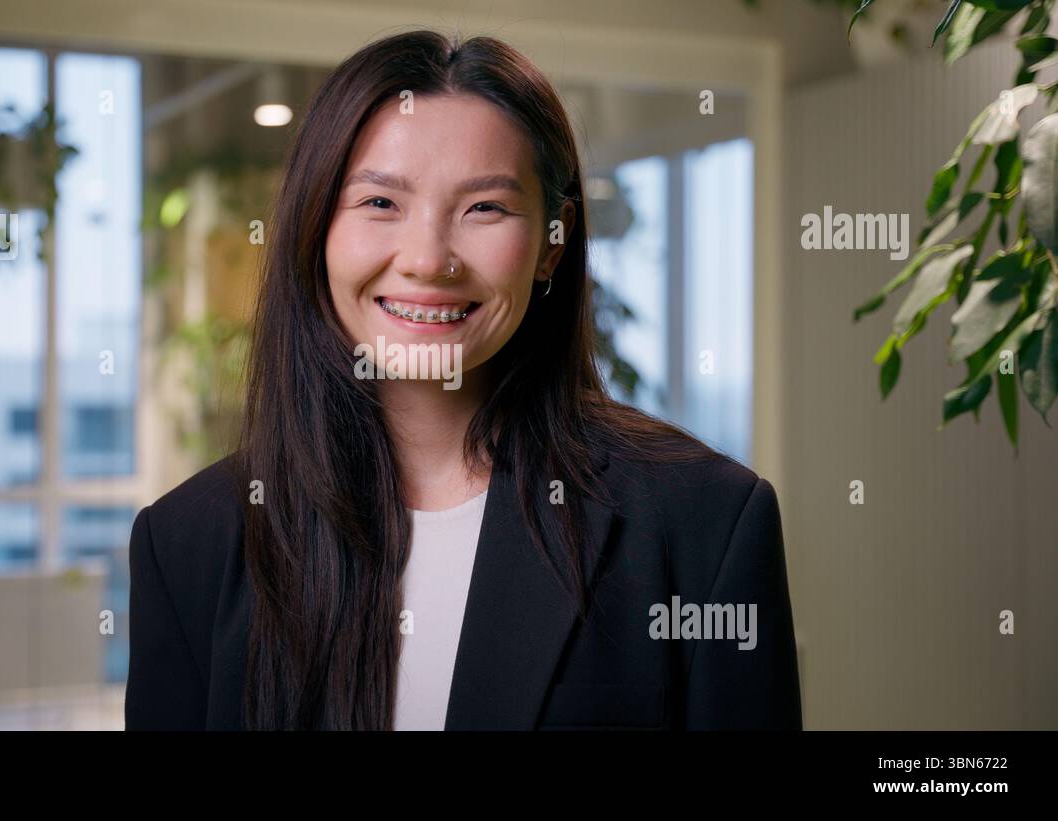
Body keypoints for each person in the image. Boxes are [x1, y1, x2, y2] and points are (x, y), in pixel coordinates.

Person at [125, 29, 801, 731]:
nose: (427, 259)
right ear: (315, 228)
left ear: (552, 243)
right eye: (380, 203)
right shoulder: (187, 543)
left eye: (485, 207)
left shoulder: (702, 523)